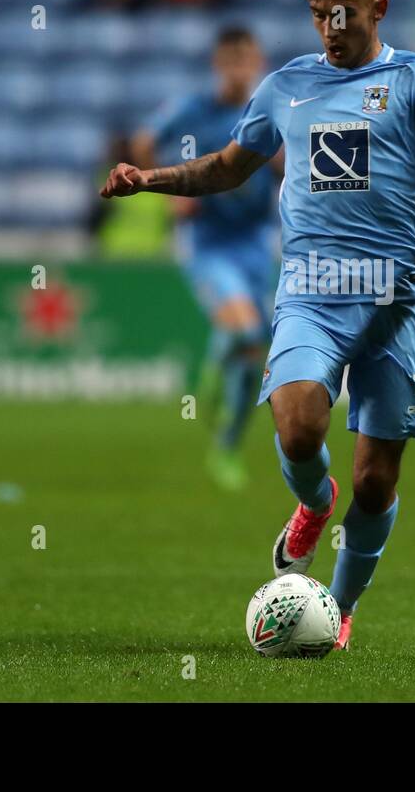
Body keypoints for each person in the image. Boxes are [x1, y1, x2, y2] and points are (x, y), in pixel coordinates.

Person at [101, 0, 415, 650]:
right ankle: (315, 503)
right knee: (299, 427)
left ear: (378, 7)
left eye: (345, 14)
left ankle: (338, 610)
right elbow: (227, 167)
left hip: (394, 302)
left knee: (377, 480)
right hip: (311, 292)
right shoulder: (285, 86)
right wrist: (148, 179)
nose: (332, 29)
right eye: (319, 15)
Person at [131, 28, 279, 490]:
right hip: (208, 241)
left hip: (255, 240)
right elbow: (141, 141)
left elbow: (293, 162)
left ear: (258, 62)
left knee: (254, 354)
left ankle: (226, 447)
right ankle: (212, 370)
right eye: (231, 61)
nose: (239, 70)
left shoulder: (269, 110)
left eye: (247, 60)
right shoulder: (192, 108)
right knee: (245, 329)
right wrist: (169, 199)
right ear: (218, 64)